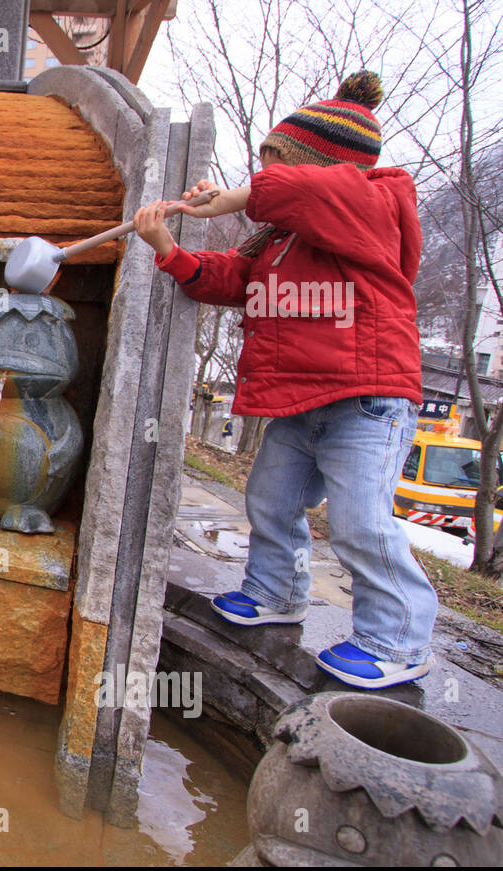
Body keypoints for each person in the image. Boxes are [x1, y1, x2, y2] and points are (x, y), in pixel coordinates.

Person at [133, 72, 437, 689]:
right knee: (271, 501)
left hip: (368, 399)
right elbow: (230, 279)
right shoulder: (281, 242)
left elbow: (320, 193)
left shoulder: (378, 206)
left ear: (325, 169)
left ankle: (396, 640)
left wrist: (242, 194)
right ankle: (275, 592)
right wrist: (166, 246)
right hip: (302, 400)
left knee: (361, 520)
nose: (264, 180)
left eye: (277, 166)